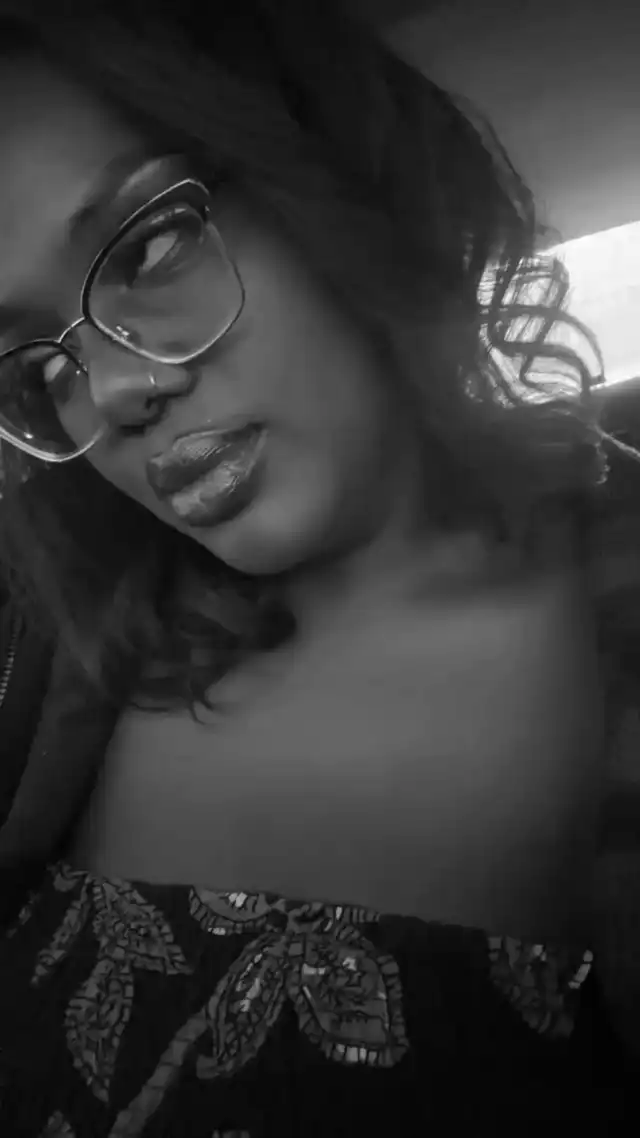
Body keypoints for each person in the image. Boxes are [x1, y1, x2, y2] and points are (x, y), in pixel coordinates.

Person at [0, 0, 628, 1132]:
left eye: (151, 247)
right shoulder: (57, 647)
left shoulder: (606, 633)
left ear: (330, 174)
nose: (115, 391)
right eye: (40, 365)